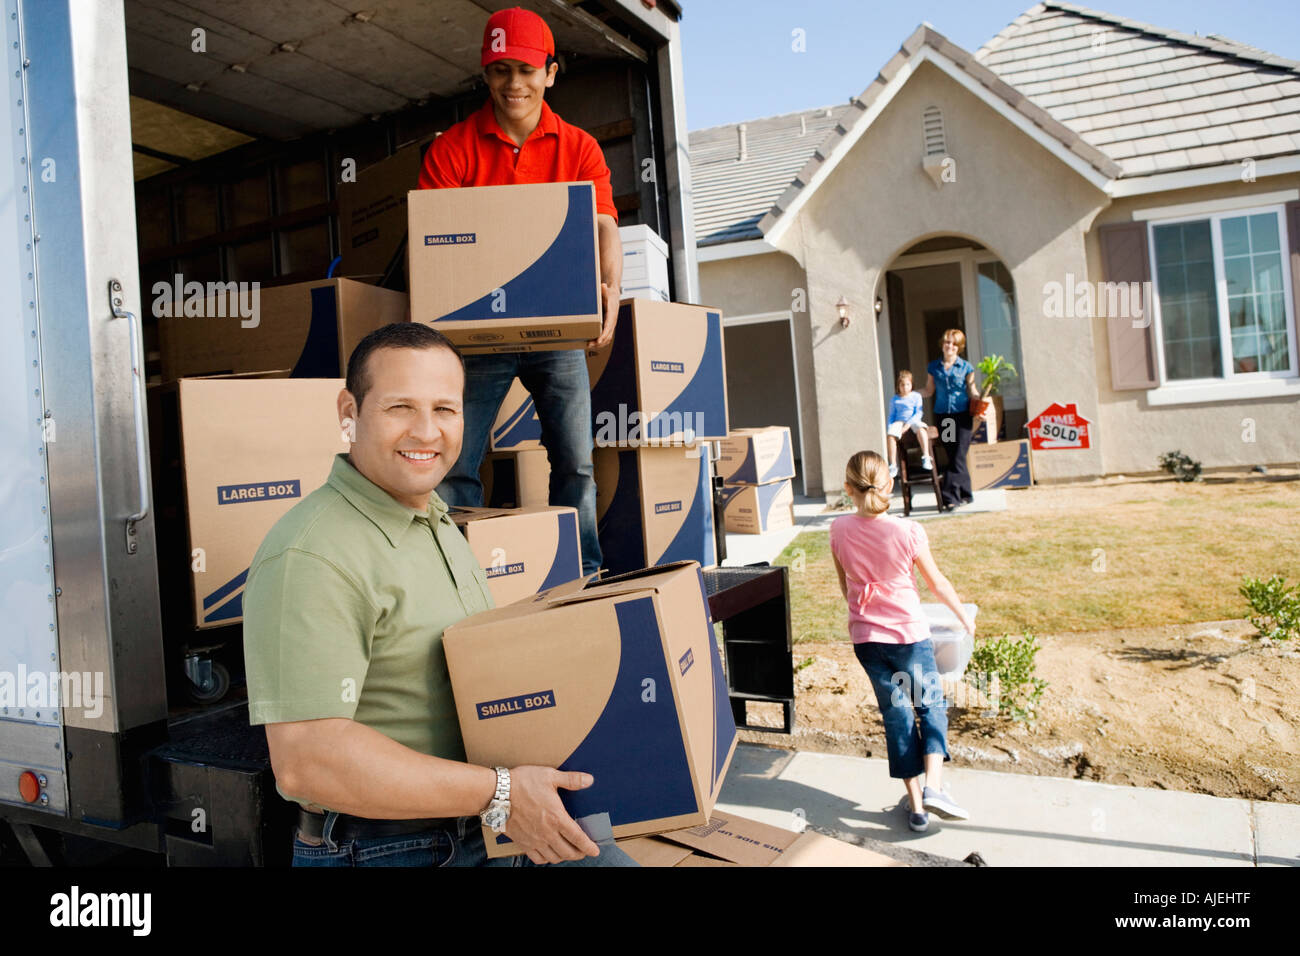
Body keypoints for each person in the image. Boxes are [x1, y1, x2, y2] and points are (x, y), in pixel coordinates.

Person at [242, 323, 636, 867]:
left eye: (446, 410)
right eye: (400, 407)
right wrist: (500, 795)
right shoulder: (310, 556)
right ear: (348, 411)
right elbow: (309, 763)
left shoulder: (432, 517)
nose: (427, 432)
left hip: (482, 819)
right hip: (386, 847)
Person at [417, 6, 621, 576]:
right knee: (457, 460)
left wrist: (610, 293)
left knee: (576, 462)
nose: (514, 84)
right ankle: (458, 578)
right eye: (500, 70)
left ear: (551, 73)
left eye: (526, 70)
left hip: (556, 331)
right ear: (485, 75)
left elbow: (604, 225)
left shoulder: (579, 147)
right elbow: (434, 245)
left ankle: (583, 571)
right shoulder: (451, 149)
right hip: (478, 336)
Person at [830, 451, 975, 833]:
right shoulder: (907, 531)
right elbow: (936, 583)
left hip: (866, 639)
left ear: (848, 489)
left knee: (896, 717)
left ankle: (917, 810)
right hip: (908, 636)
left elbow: (846, 586)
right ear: (889, 485)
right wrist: (963, 617)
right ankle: (935, 788)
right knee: (930, 706)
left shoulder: (838, 529)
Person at [918, 329, 988, 512]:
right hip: (945, 418)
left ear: (959, 347)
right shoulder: (934, 367)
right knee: (953, 455)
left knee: (958, 454)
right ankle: (966, 493)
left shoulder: (966, 368)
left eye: (954, 344)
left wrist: (980, 405)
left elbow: (972, 391)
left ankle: (949, 497)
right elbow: (928, 391)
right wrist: (909, 393)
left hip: (963, 416)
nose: (949, 346)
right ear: (942, 344)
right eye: (947, 342)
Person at [886, 369, 932, 479]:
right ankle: (892, 465)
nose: (905, 387)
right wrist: (890, 427)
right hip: (899, 421)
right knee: (891, 435)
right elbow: (891, 415)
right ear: (898, 386)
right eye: (902, 385)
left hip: (913, 420)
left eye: (908, 384)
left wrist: (907, 425)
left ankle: (926, 456)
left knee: (921, 430)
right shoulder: (894, 399)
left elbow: (918, 412)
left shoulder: (916, 396)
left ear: (911, 384)